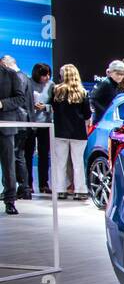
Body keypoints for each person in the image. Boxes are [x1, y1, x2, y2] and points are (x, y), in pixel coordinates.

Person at [51, 64, 92, 201]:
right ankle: (80, 190)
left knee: (60, 162)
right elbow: (87, 114)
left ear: (63, 75)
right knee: (78, 162)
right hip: (78, 132)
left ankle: (60, 190)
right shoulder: (83, 92)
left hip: (60, 131)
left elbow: (53, 109)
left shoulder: (56, 91)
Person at [1, 55, 35, 202]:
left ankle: (10, 200)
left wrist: (2, 104)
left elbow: (20, 98)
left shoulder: (10, 75)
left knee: (9, 166)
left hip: (6, 127)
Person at [26, 63, 52, 194]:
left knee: (44, 155)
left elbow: (55, 105)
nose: (46, 77)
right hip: (29, 123)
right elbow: (21, 101)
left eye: (48, 74)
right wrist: (32, 106)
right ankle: (28, 184)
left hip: (45, 124)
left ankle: (44, 184)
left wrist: (45, 107)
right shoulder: (27, 83)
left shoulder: (51, 85)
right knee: (28, 154)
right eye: (44, 75)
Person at [89, 60, 124, 125]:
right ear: (111, 72)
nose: (120, 77)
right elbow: (93, 99)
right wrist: (105, 111)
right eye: (118, 74)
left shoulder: (113, 84)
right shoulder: (106, 83)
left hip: (105, 120)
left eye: (122, 74)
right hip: (101, 120)